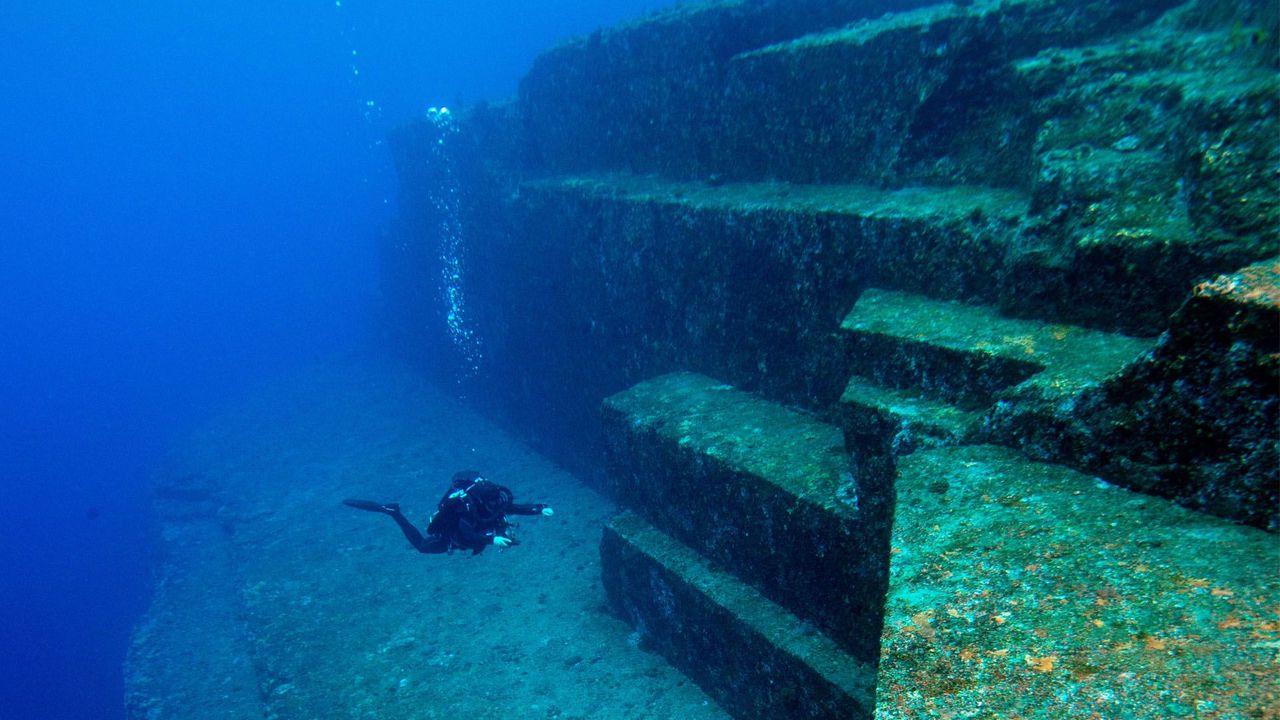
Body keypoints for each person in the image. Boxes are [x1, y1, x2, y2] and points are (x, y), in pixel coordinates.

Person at [344, 470, 553, 554]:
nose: (496, 506)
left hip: (478, 534)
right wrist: (492, 540)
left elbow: (514, 508)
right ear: (482, 500)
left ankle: (393, 512)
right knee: (422, 546)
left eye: (496, 502)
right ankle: (393, 512)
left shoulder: (494, 501)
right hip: (453, 536)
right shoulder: (467, 510)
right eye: (492, 503)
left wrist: (539, 509)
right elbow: (469, 534)